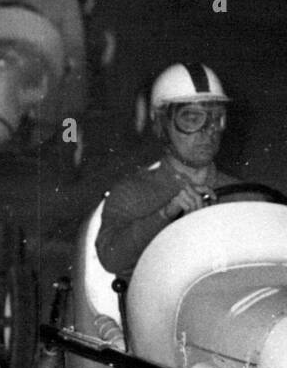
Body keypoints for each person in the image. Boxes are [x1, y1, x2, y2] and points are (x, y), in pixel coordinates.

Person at [95, 62, 239, 280]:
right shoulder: (132, 195)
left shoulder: (241, 195)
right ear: (162, 125)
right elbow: (111, 258)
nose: (207, 132)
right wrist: (166, 215)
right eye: (191, 119)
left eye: (216, 119)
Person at [0, 0, 88, 119]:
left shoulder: (65, 0)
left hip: (49, 70)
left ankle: (64, 136)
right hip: (10, 67)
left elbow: (74, 45)